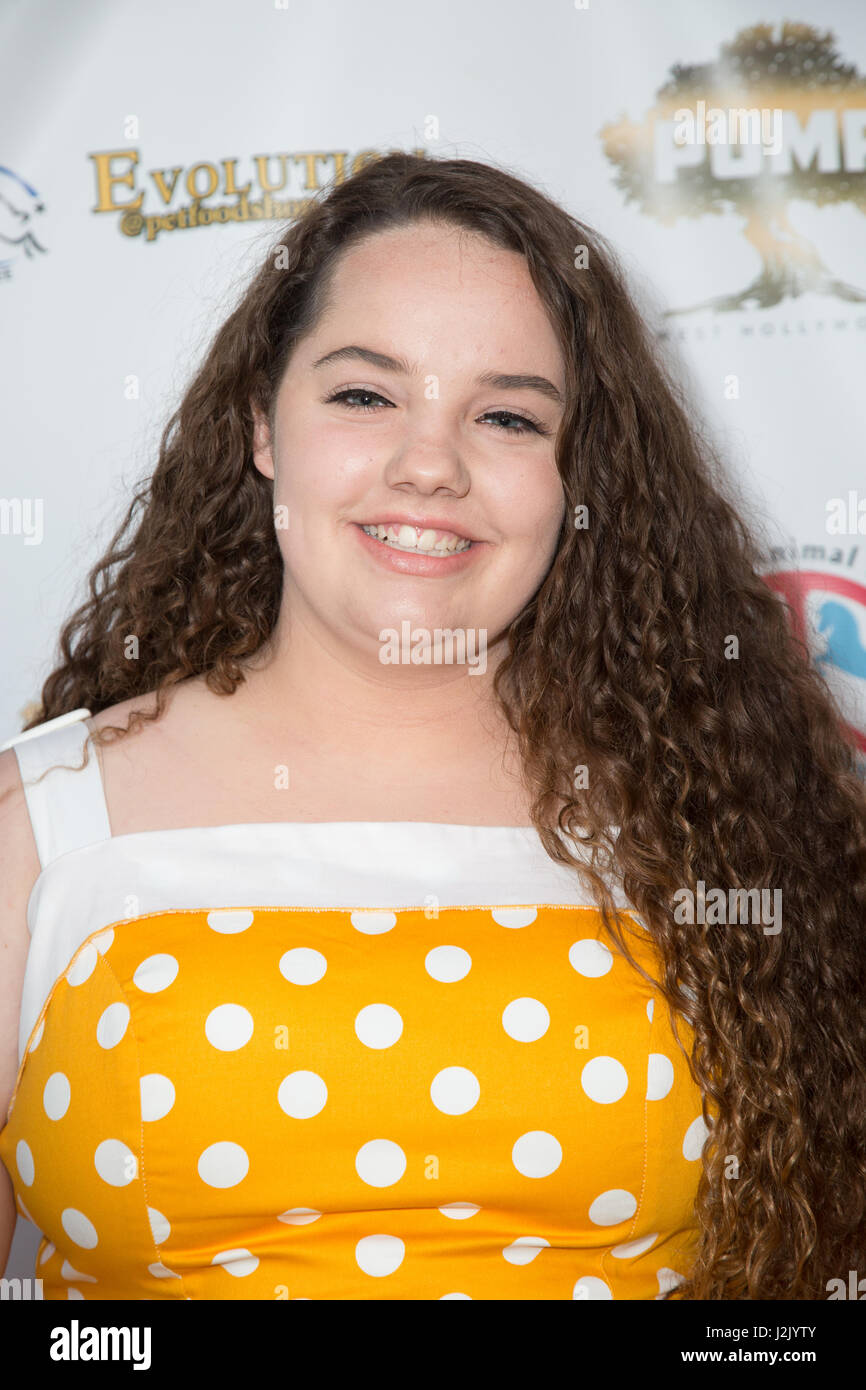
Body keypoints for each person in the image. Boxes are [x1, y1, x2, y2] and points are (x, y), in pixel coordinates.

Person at [1, 152, 864, 1301]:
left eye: (505, 416)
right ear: (264, 423)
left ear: (574, 476)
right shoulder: (39, 823)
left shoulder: (729, 822)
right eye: (364, 394)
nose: (429, 465)